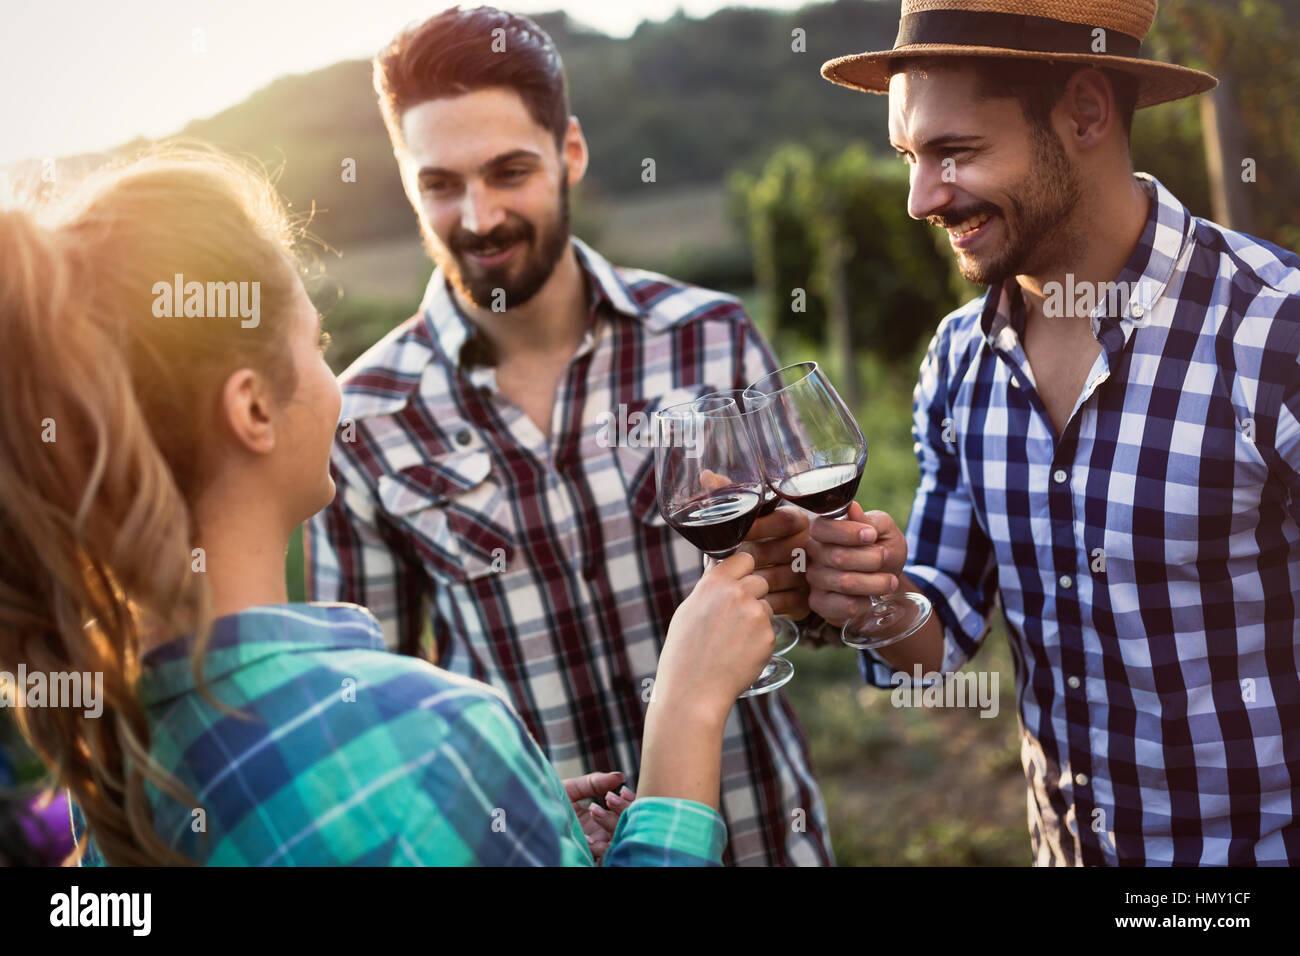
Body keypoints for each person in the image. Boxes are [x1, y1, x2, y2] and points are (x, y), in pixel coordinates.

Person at [0, 146, 779, 866]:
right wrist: (687, 710)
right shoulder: (433, 742)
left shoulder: (120, 760)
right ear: (253, 412)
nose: (336, 378)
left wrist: (514, 826)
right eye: (318, 341)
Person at [306, 6, 833, 865]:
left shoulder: (709, 335)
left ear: (571, 154)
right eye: (440, 184)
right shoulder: (362, 418)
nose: (478, 218)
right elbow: (372, 716)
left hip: (764, 833)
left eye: (509, 171)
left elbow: (806, 587)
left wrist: (827, 575)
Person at [811, 0, 1300, 864]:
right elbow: (940, 630)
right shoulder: (960, 359)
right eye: (907, 158)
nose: (921, 197)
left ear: (1084, 112)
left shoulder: (1272, 334)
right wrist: (868, 590)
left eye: (953, 152)